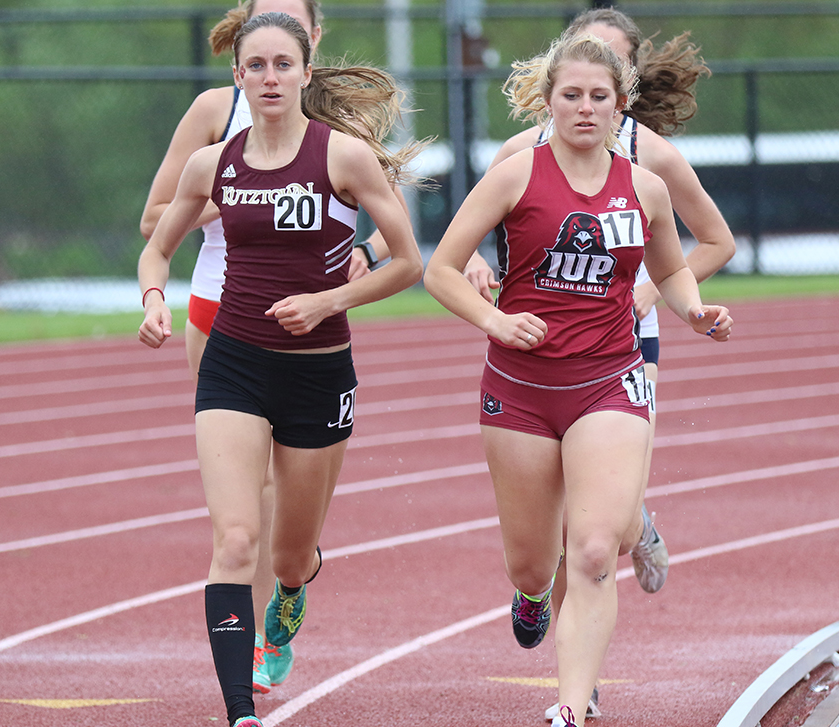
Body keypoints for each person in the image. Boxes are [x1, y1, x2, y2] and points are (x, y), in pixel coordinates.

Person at [423, 30, 732, 727]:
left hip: (609, 381)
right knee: (534, 564)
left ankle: (569, 705)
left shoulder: (645, 185)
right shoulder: (515, 174)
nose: (586, 109)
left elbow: (674, 265)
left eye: (600, 97)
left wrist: (691, 309)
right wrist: (495, 321)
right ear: (549, 101)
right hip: (522, 387)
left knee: (593, 548)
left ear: (622, 105)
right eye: (572, 96)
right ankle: (532, 595)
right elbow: (441, 267)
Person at [139, 12, 423, 727]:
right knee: (235, 537)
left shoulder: (344, 158)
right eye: (256, 65)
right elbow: (155, 244)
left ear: (304, 71)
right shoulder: (215, 164)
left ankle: (293, 587)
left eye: (281, 65)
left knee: (290, 554)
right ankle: (240, 709)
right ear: (238, 75)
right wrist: (153, 300)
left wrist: (330, 298)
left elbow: (409, 262)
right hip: (231, 363)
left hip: (318, 373)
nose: (269, 77)